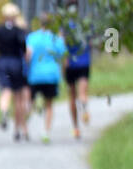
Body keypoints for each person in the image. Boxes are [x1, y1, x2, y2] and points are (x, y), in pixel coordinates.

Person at [0, 3, 29, 141]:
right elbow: (24, 47)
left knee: (6, 90)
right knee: (18, 97)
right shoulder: (19, 30)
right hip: (16, 63)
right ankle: (17, 129)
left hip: (2, 62)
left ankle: (4, 110)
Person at [25, 12, 67, 144]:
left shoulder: (32, 37)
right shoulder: (56, 38)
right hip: (51, 75)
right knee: (49, 105)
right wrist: (64, 73)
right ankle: (46, 132)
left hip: (35, 75)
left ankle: (24, 128)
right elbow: (64, 57)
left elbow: (28, 56)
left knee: (29, 103)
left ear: (40, 23)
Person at [63, 5, 92, 138]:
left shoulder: (64, 27)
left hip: (70, 63)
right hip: (84, 62)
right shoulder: (86, 25)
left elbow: (61, 45)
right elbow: (92, 43)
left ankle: (76, 128)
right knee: (83, 91)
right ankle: (84, 106)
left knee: (72, 96)